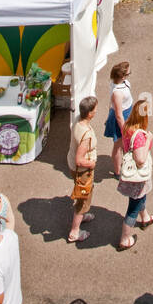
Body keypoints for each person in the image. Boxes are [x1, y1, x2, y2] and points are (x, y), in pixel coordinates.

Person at [117, 98, 153, 249]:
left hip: (130, 173)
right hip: (137, 174)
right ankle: (125, 238)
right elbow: (140, 159)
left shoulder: (127, 127)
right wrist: (149, 141)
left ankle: (145, 217)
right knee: (133, 206)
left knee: (140, 196)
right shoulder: (140, 136)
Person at [67, 96, 98, 244]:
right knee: (83, 199)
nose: (96, 111)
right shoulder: (86, 135)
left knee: (83, 197)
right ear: (90, 113)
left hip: (73, 166)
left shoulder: (78, 120)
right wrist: (91, 164)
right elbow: (80, 159)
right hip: (82, 170)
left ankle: (82, 215)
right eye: (95, 109)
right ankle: (75, 231)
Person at [105, 62, 132, 175]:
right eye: (128, 73)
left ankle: (125, 162)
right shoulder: (118, 93)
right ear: (122, 76)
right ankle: (117, 172)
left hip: (127, 113)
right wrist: (124, 129)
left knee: (124, 144)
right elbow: (118, 115)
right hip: (121, 118)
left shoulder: (121, 83)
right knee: (118, 146)